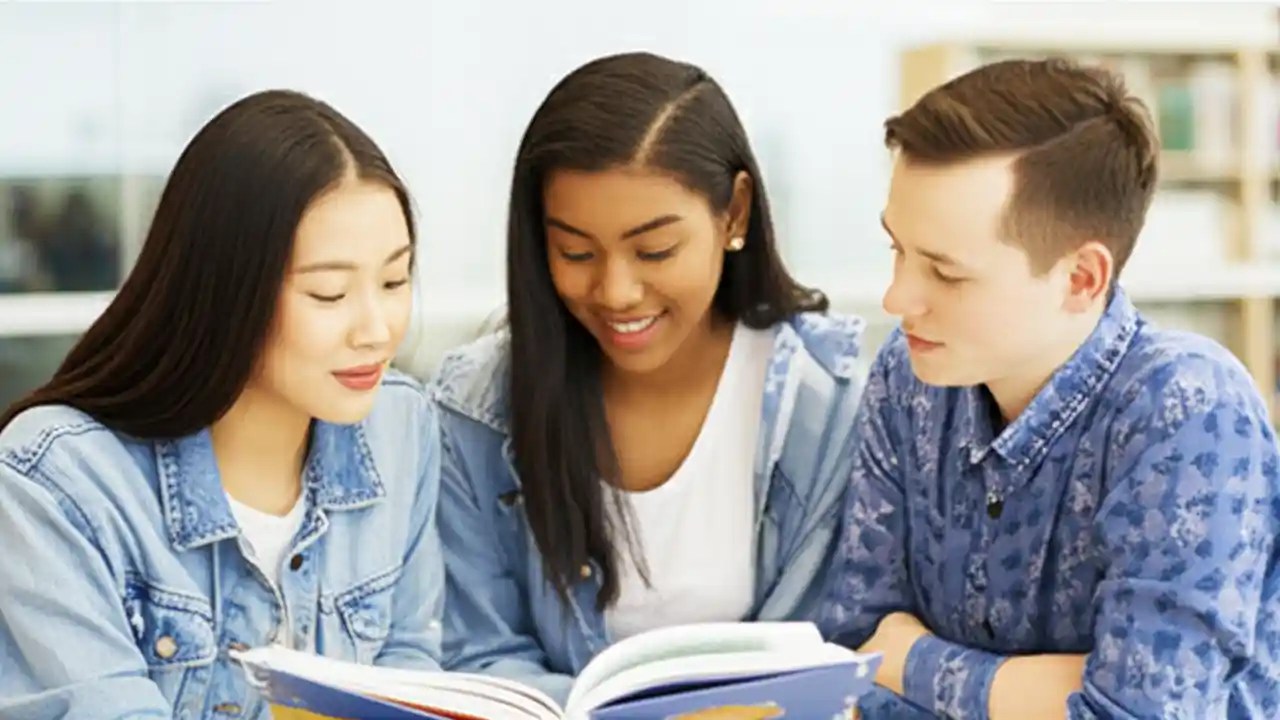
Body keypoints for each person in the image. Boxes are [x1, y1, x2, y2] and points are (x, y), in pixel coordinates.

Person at [820, 57, 1280, 719]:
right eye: (897, 250)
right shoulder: (909, 377)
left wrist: (913, 658)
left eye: (946, 274)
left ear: (1081, 279)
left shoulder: (1189, 410)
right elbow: (852, 659)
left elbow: (1140, 713)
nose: (898, 299)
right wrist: (1043, 689)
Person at [431, 51, 867, 703]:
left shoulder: (828, 402)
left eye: (655, 250)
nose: (616, 291)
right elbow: (484, 653)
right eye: (574, 252)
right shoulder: (476, 404)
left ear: (735, 213)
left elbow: (831, 651)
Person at [0, 89, 445, 719]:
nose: (377, 328)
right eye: (329, 293)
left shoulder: (399, 426)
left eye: (396, 281)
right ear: (227, 290)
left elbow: (410, 672)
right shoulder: (56, 483)